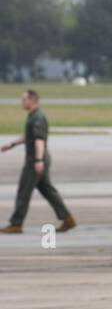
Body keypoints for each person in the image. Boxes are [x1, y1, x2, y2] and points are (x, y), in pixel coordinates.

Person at [1, 89, 75, 234]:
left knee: (24, 191)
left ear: (32, 100)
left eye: (24, 100)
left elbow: (39, 140)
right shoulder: (34, 116)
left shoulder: (37, 118)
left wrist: (38, 160)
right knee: (48, 191)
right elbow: (29, 137)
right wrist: (12, 144)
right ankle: (67, 219)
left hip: (35, 160)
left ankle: (16, 224)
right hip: (37, 159)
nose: (22, 102)